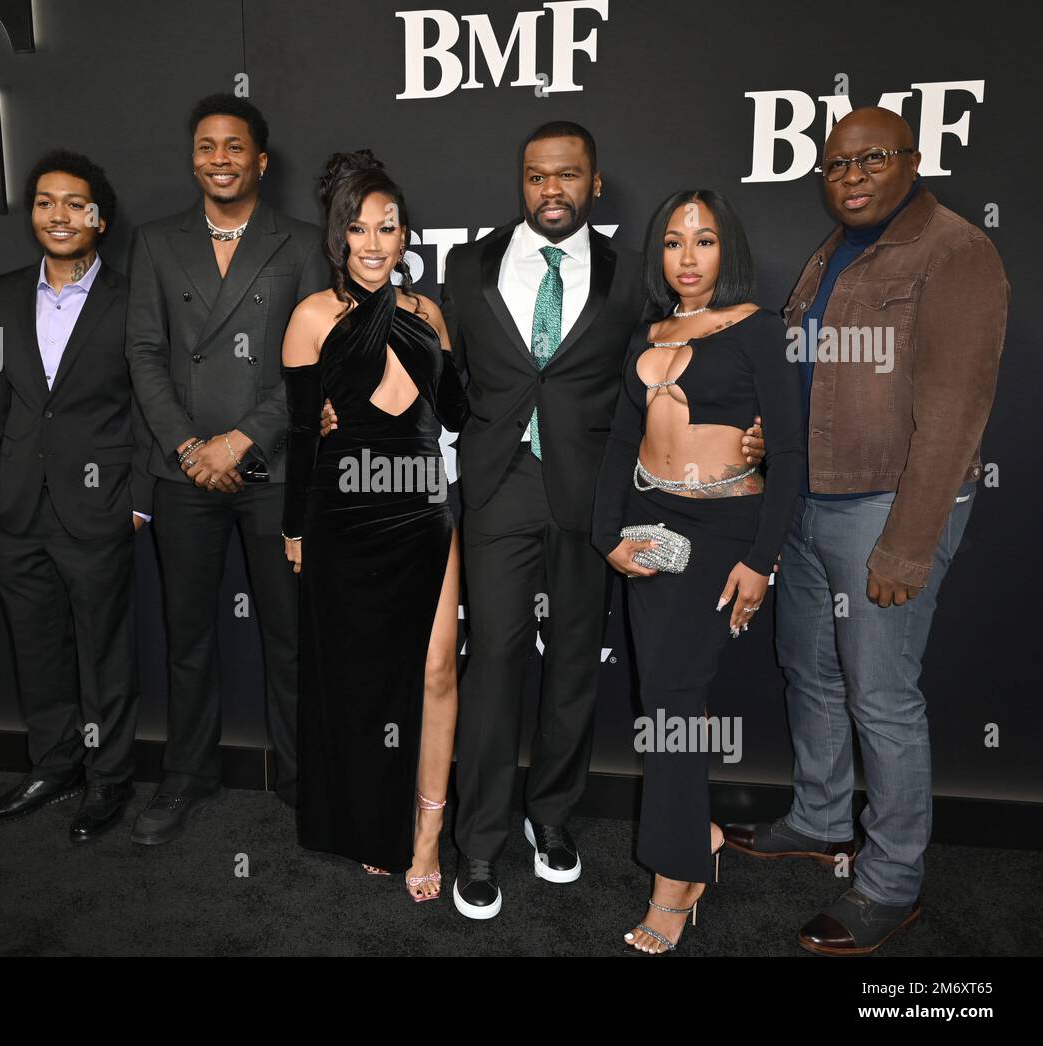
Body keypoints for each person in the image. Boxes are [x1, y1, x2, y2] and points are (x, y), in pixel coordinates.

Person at [432, 122, 768, 920]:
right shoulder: (467, 262)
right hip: (498, 484)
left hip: (593, 496)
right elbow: (457, 377)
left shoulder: (631, 278)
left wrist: (745, 433)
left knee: (576, 663)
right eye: (536, 175)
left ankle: (549, 816)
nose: (552, 189)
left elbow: (671, 372)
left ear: (595, 182)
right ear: (522, 182)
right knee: (496, 665)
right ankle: (478, 843)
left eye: (568, 175)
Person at [724, 107, 1009, 956]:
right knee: (806, 668)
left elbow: (957, 415)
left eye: (871, 159)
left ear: (912, 161)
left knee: (882, 698)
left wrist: (910, 542)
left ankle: (890, 883)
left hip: (888, 509)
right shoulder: (834, 250)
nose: (849, 175)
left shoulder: (956, 252)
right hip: (811, 500)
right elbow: (811, 371)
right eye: (835, 163)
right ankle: (819, 818)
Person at [592, 189, 804, 952]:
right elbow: (620, 443)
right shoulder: (645, 333)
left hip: (722, 529)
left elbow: (789, 452)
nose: (688, 256)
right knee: (663, 695)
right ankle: (697, 836)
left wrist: (760, 557)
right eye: (675, 242)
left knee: (675, 696)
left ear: (727, 251)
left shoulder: (759, 331)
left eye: (705, 240)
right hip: (648, 525)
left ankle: (676, 877)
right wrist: (607, 533)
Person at [125, 94, 328, 842]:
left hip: (270, 469)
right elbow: (143, 353)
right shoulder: (154, 242)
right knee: (187, 635)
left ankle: (304, 779)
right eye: (207, 146)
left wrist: (240, 440)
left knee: (289, 636)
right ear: (193, 158)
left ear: (261, 160)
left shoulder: (302, 242)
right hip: (183, 475)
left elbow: (311, 366)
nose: (220, 159)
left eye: (235, 147)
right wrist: (189, 447)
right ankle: (186, 776)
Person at [281, 150, 467, 901]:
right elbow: (298, 438)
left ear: (404, 235)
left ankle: (426, 836)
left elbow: (455, 414)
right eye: (357, 228)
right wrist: (296, 532)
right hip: (344, 514)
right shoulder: (311, 318)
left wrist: (444, 364)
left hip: (423, 506)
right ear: (338, 237)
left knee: (436, 671)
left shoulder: (426, 313)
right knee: (359, 680)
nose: (373, 242)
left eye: (387, 227)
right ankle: (367, 824)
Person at [0, 151, 155, 841]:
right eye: (46, 201)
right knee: (36, 643)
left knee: (105, 652)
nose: (59, 214)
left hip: (98, 505)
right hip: (14, 505)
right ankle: (53, 765)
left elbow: (148, 404)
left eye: (75, 203)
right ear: (32, 214)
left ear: (99, 218)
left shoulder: (134, 296)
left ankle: (108, 780)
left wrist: (137, 499)